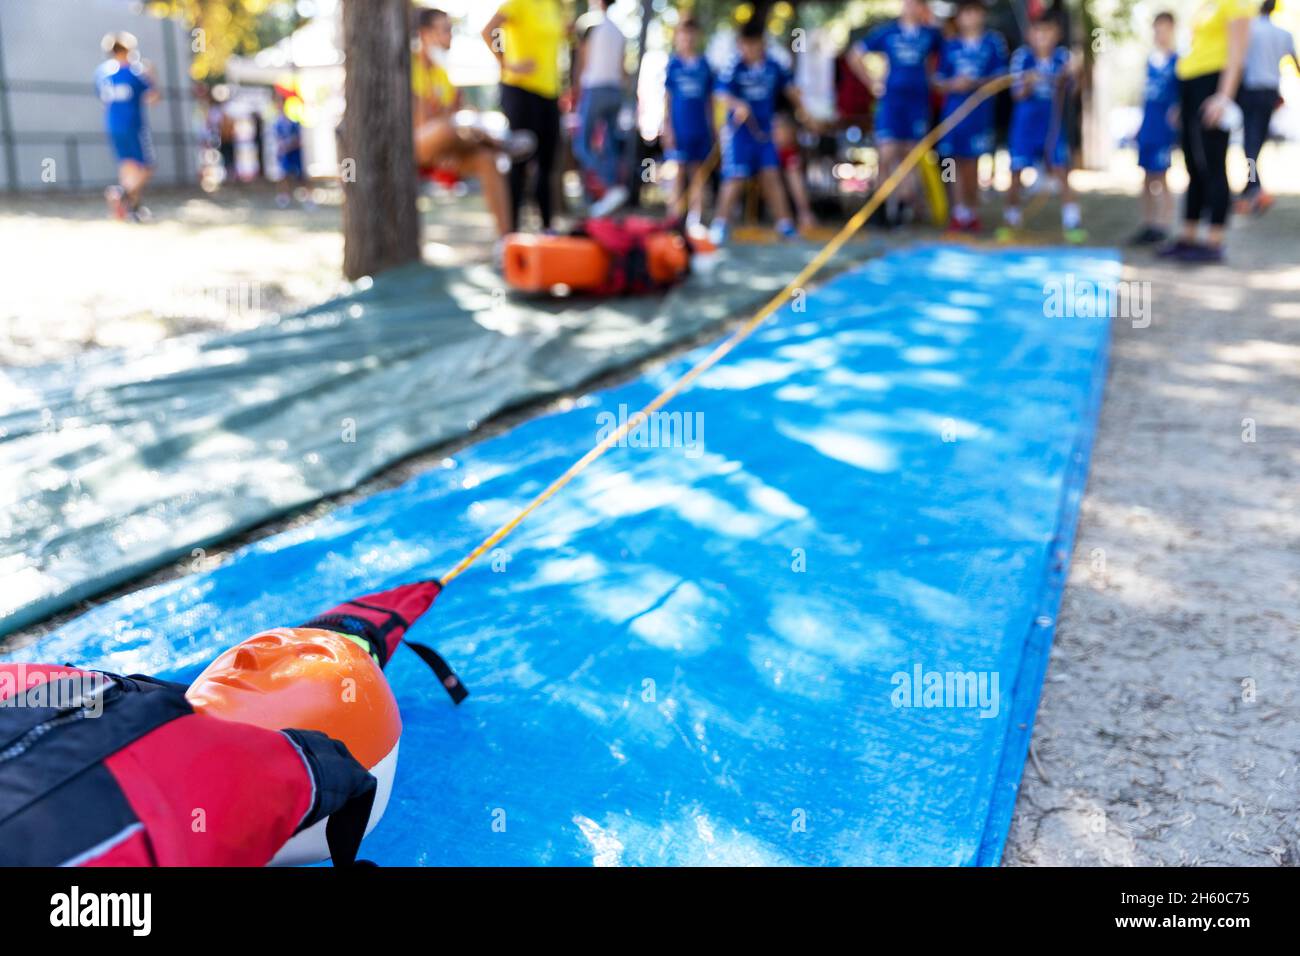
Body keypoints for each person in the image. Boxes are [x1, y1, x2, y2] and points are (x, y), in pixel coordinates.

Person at [1159, 0, 1254, 263]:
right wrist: (1182, 102)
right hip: (1191, 85)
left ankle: (1214, 240)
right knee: (1191, 165)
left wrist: (1223, 97)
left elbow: (1238, 53)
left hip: (1213, 85)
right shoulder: (1203, 5)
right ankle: (1188, 235)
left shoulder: (1237, 4)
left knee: (1213, 165)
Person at [414, 7, 513, 240]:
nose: (450, 36)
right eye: (445, 30)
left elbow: (453, 112)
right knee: (455, 125)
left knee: (487, 160)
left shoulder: (442, 71)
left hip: (446, 145)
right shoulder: (408, 67)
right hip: (417, 147)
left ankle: (506, 242)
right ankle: (501, 144)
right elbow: (422, 122)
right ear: (425, 34)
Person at [709, 17, 808, 245]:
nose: (747, 49)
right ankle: (720, 224)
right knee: (735, 177)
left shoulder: (774, 65)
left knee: (771, 175)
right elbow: (720, 93)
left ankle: (785, 224)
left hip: (765, 133)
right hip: (739, 133)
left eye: (752, 44)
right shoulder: (734, 65)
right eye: (743, 45)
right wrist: (737, 104)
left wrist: (805, 111)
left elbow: (790, 89)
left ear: (760, 43)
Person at [848, 0, 944, 225]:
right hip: (892, 103)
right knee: (887, 153)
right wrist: (872, 82)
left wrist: (933, 79)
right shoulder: (888, 32)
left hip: (917, 104)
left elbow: (944, 54)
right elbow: (855, 54)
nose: (911, 6)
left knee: (910, 157)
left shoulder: (931, 34)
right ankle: (879, 210)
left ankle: (903, 207)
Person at [482, 0, 566, 233]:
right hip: (520, 91)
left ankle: (547, 226)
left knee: (547, 163)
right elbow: (489, 31)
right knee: (519, 162)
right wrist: (507, 63)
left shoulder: (554, 7)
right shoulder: (518, 3)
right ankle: (510, 233)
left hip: (549, 94)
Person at [1004, 14, 1083, 240]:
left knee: (1061, 170)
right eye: (1038, 31)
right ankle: (1011, 218)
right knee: (1016, 172)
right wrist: (1028, 83)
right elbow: (1016, 94)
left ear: (1057, 34)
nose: (1042, 37)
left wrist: (1074, 74)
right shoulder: (1022, 57)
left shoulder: (1063, 57)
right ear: (1030, 34)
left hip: (1053, 126)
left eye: (1048, 31)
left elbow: (1074, 92)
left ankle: (1072, 221)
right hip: (1024, 126)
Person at [932, 0, 1008, 233]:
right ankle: (957, 212)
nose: (971, 18)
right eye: (966, 13)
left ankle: (972, 212)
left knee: (972, 165)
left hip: (979, 115)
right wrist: (953, 84)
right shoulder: (950, 46)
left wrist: (975, 83)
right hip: (952, 116)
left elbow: (1002, 77)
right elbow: (937, 80)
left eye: (975, 12)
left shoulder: (993, 44)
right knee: (950, 163)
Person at [1235, 0, 1298, 214]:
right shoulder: (1284, 33)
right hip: (1270, 92)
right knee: (1256, 141)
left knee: (1251, 143)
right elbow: (1295, 63)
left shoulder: (1250, 28)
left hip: (1251, 90)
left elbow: (1238, 58)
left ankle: (1254, 186)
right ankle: (1251, 186)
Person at [94, 32, 159, 222]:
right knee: (147, 166)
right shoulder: (134, 73)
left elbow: (103, 100)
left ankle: (132, 210)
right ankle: (121, 194)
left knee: (128, 166)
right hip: (133, 125)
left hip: (113, 125)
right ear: (127, 50)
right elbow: (153, 98)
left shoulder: (102, 73)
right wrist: (151, 75)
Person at [574, 0, 630, 216]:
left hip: (595, 88)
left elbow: (583, 59)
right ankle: (612, 188)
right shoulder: (618, 31)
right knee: (611, 145)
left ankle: (610, 186)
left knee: (582, 145)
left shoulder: (590, 24)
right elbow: (623, 68)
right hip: (615, 90)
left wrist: (577, 87)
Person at [1131, 12, 1180, 244]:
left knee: (1162, 176)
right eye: (1156, 29)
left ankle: (1164, 224)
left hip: (1164, 128)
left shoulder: (1178, 61)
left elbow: (1179, 98)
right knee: (1146, 177)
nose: (1159, 34)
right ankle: (1148, 223)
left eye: (1164, 29)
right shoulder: (1150, 61)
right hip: (1148, 125)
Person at [662, 15, 716, 229]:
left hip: (700, 129)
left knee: (698, 173)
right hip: (679, 128)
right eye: (684, 35)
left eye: (692, 34)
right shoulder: (673, 65)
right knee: (677, 172)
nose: (688, 39)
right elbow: (667, 99)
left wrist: (713, 127)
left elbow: (710, 102)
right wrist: (667, 128)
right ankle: (673, 218)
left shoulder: (704, 65)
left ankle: (697, 219)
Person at [272, 89, 306, 208]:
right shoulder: (276, 120)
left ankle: (307, 196)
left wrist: (289, 145)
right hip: (285, 151)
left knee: (300, 175)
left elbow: (298, 136)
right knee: (283, 174)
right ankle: (284, 196)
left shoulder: (292, 115)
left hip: (294, 150)